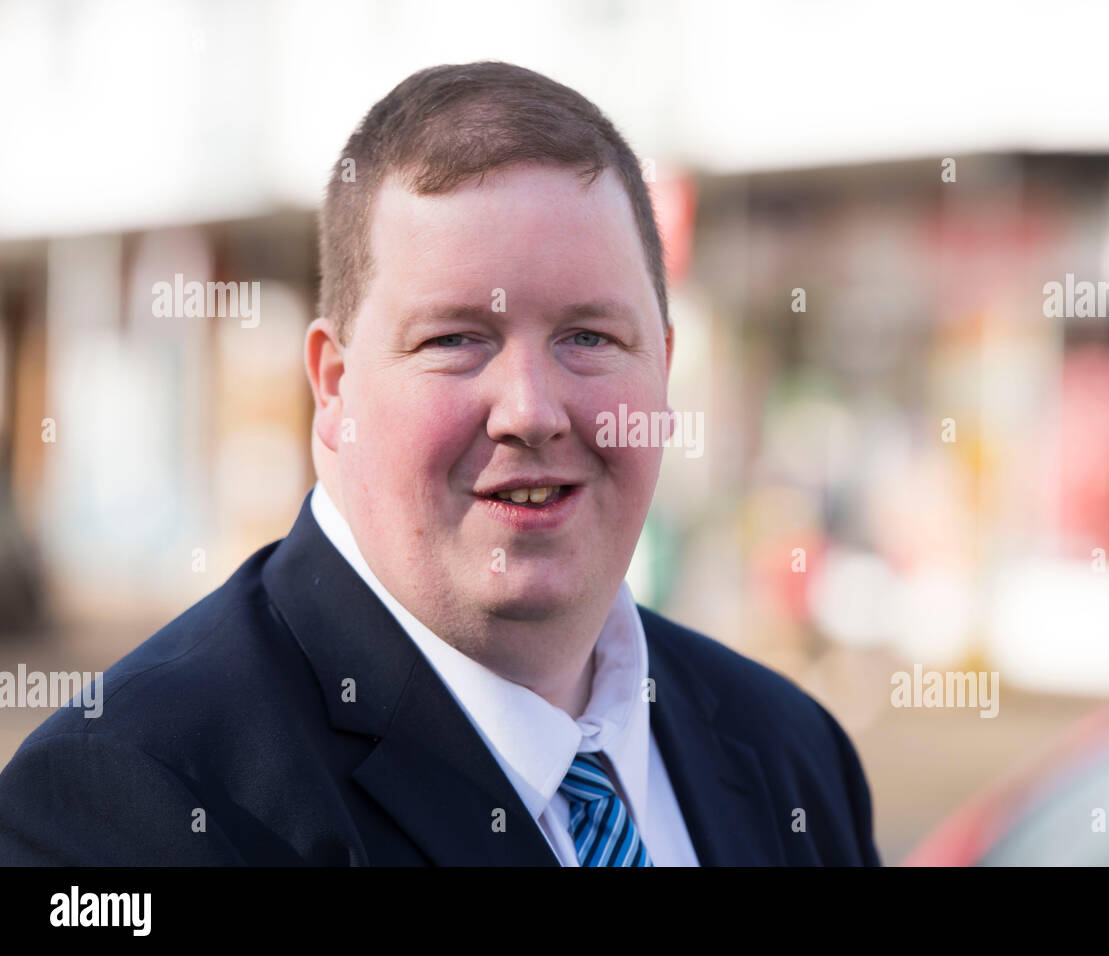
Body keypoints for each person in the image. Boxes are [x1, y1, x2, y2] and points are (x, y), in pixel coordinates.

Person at [0, 61, 882, 866]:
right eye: (457, 339)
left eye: (589, 337)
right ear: (335, 389)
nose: (531, 410)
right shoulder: (123, 805)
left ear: (662, 366)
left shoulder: (793, 755)